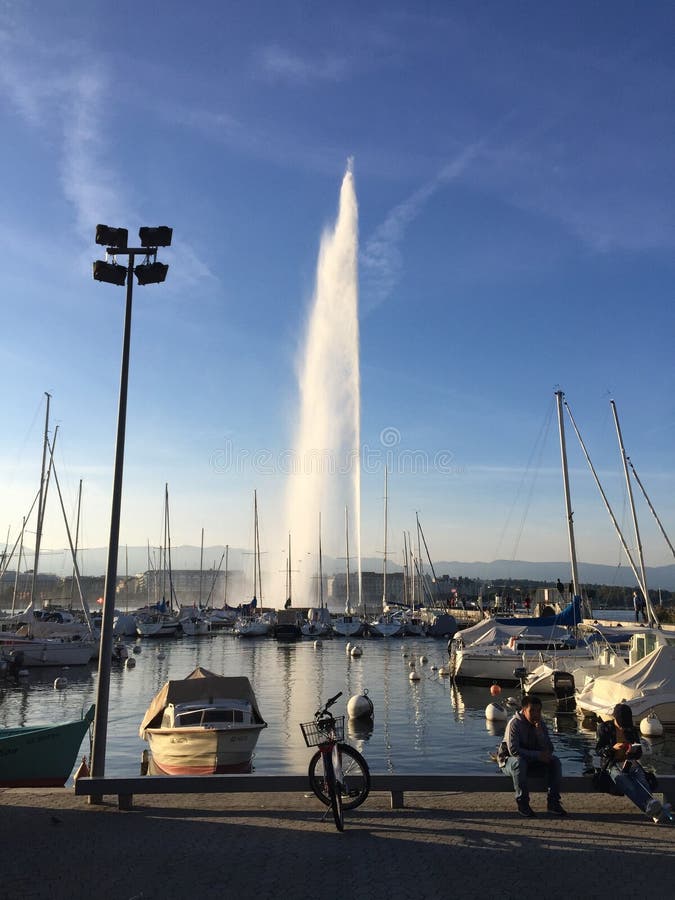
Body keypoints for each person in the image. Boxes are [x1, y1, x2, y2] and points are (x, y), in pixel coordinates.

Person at [595, 702, 671, 824]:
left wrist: (632, 751)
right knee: (624, 781)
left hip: (629, 761)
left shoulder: (631, 729)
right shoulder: (604, 728)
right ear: (615, 719)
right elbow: (598, 750)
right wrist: (613, 748)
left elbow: (638, 753)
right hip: (611, 763)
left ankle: (653, 808)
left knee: (641, 779)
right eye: (621, 724)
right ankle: (652, 809)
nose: (624, 727)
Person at [498, 694, 566, 817]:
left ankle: (553, 802)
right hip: (509, 761)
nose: (536, 714)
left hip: (532, 760)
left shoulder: (541, 724)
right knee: (520, 762)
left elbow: (550, 749)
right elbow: (514, 751)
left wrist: (540, 735)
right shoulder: (514, 724)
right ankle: (522, 803)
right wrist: (538, 755)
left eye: (538, 711)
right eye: (532, 711)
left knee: (555, 761)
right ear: (524, 711)